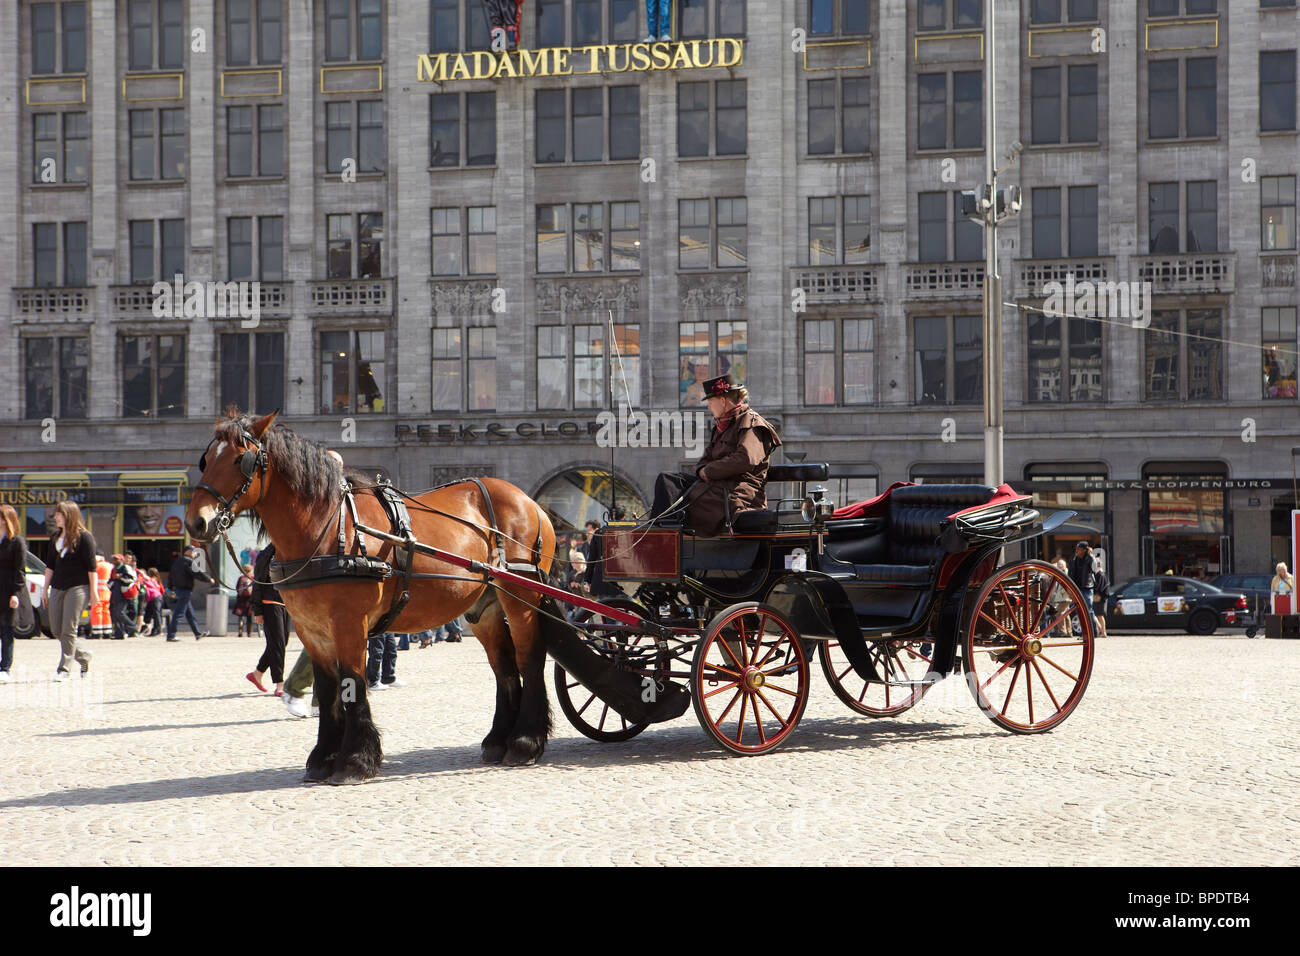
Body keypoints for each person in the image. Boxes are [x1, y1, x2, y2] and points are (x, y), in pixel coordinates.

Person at [648, 372, 782, 535]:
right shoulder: (721, 427)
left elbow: (745, 459)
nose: (708, 407)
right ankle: (661, 533)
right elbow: (705, 459)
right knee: (667, 481)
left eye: (711, 401)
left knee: (687, 502)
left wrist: (709, 471)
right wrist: (702, 470)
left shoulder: (751, 423)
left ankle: (666, 536)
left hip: (738, 492)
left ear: (723, 401)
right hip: (717, 486)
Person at [41, 500, 97, 680]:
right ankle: (83, 655)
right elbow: (50, 566)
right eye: (56, 514)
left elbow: (92, 568)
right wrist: (44, 589)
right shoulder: (55, 537)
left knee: (69, 628)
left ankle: (64, 669)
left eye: (59, 514)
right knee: (56, 629)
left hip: (78, 587)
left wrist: (94, 592)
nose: (55, 517)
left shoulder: (84, 537)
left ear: (69, 516)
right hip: (57, 586)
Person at [247, 544, 288, 696]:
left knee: (282, 642)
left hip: (286, 602)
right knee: (277, 643)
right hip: (270, 603)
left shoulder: (289, 549)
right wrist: (257, 610)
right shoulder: (266, 554)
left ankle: (257, 673)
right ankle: (280, 684)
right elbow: (258, 582)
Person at [0, 505, 28, 683]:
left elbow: (20, 569)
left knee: (6, 629)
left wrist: (16, 593)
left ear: (6, 519)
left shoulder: (16, 541)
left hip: (8, 589)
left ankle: (5, 667)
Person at [167, 544, 212, 642]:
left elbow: (171, 575)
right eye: (194, 551)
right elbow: (198, 573)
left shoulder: (177, 562)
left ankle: (197, 633)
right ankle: (171, 635)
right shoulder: (189, 561)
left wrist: (170, 588)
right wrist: (209, 579)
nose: (195, 554)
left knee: (190, 614)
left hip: (178, 590)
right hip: (185, 591)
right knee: (178, 613)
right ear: (188, 552)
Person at [1069, 541, 1107, 639]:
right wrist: (1070, 589)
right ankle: (1084, 633)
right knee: (1079, 611)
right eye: (1076, 548)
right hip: (1076, 587)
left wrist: (1092, 556)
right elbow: (1071, 573)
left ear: (1085, 550)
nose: (1077, 551)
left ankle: (1093, 633)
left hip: (1087, 587)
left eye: (1079, 549)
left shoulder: (1090, 558)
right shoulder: (1074, 558)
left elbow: (1096, 569)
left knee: (1089, 611)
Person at [108, 553, 139, 640]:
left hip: (123, 594)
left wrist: (120, 577)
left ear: (121, 560)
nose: (114, 560)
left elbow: (130, 579)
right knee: (115, 614)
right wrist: (108, 585)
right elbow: (111, 580)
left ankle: (133, 626)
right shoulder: (113, 569)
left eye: (116, 559)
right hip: (115, 594)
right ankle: (119, 634)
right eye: (114, 559)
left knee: (120, 613)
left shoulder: (125, 568)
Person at [141, 567, 165, 636]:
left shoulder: (151, 580)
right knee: (154, 614)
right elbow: (162, 590)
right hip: (157, 597)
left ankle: (157, 630)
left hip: (154, 597)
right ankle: (155, 630)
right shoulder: (158, 580)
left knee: (155, 614)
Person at [233, 563, 255, 637]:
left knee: (240, 616)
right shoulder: (252, 578)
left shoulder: (241, 578)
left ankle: (240, 631)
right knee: (249, 617)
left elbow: (237, 588)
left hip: (241, 600)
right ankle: (249, 633)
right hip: (250, 600)